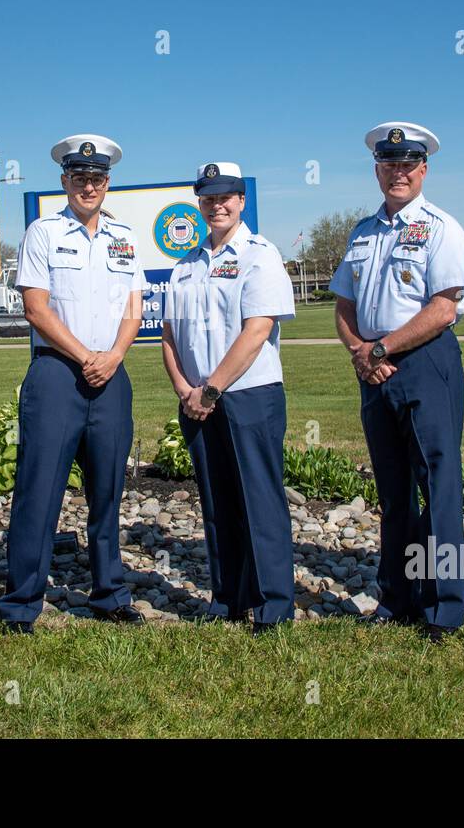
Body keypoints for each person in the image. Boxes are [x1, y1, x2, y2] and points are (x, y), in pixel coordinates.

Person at [328, 122, 464, 643]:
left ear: (423, 169)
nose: (398, 172)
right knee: (393, 491)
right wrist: (360, 353)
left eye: (408, 164)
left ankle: (445, 604)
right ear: (377, 170)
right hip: (372, 369)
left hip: (425, 364)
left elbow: (443, 307)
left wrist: (383, 348)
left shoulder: (441, 228)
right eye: (389, 164)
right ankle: (400, 596)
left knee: (439, 485)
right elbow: (343, 304)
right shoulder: (362, 232)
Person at [0, 134, 144, 634]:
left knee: (108, 492)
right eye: (79, 178)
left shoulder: (124, 236)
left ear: (107, 183)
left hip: (111, 373)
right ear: (64, 181)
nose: (89, 185)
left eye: (97, 178)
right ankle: (21, 602)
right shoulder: (42, 232)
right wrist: (86, 357)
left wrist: (115, 356)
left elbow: (134, 306)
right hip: (58, 374)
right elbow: (35, 308)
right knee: (39, 492)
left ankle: (110, 594)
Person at [161, 162, 297, 634]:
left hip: (248, 394)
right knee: (217, 501)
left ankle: (273, 604)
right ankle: (228, 597)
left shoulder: (261, 255)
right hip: (197, 399)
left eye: (226, 197)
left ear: (241, 201)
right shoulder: (187, 265)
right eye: (208, 198)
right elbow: (169, 335)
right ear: (199, 204)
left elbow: (257, 329)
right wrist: (185, 389)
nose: (217, 205)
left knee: (259, 499)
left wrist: (212, 388)